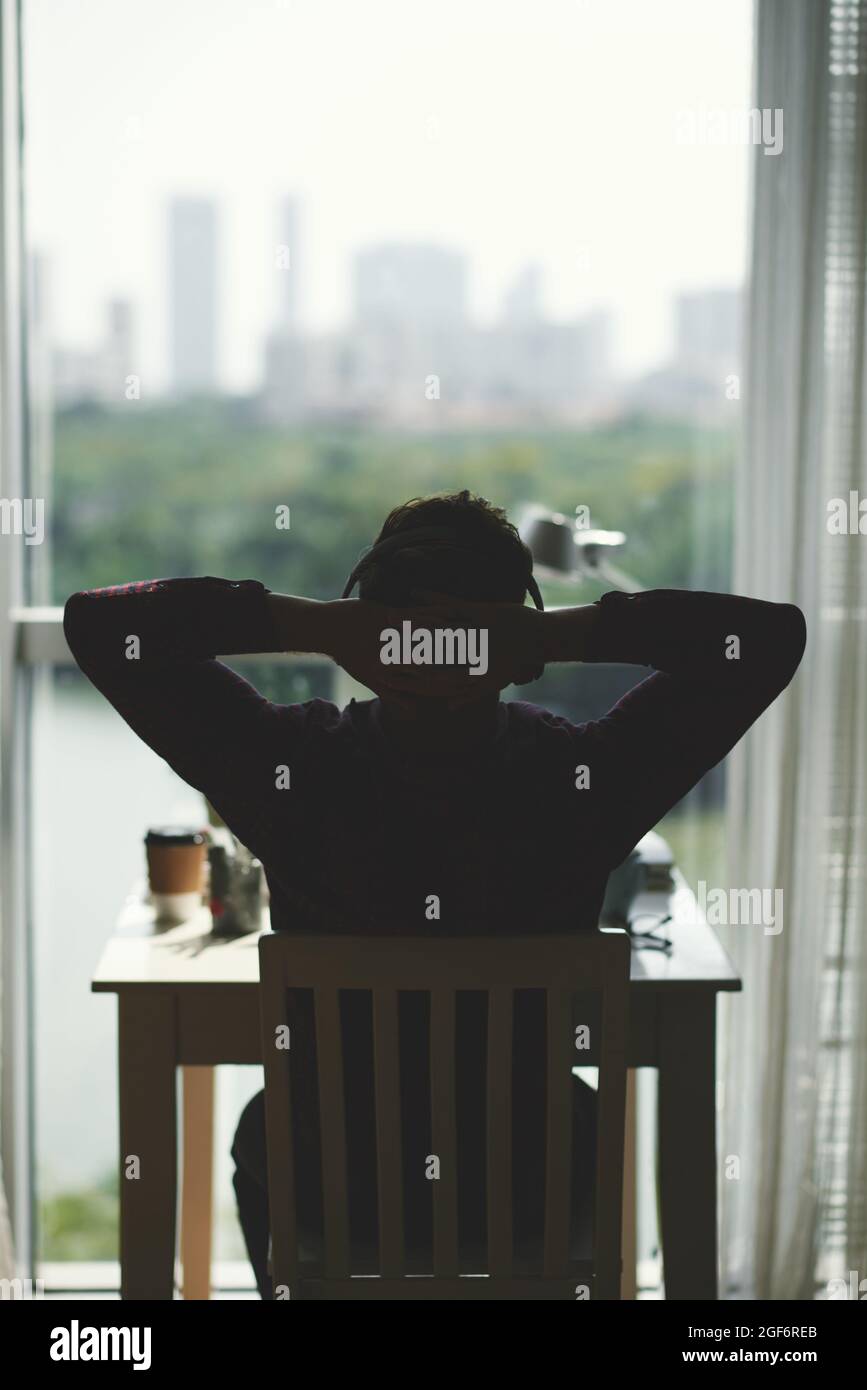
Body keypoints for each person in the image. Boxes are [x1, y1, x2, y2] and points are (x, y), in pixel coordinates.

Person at [64, 489, 806, 1296]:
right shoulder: (584, 785)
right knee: (584, 1114)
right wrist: (551, 636)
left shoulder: (289, 774)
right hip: (525, 1198)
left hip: (337, 1198)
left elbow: (101, 626)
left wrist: (312, 624)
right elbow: (766, 640)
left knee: (259, 1128)